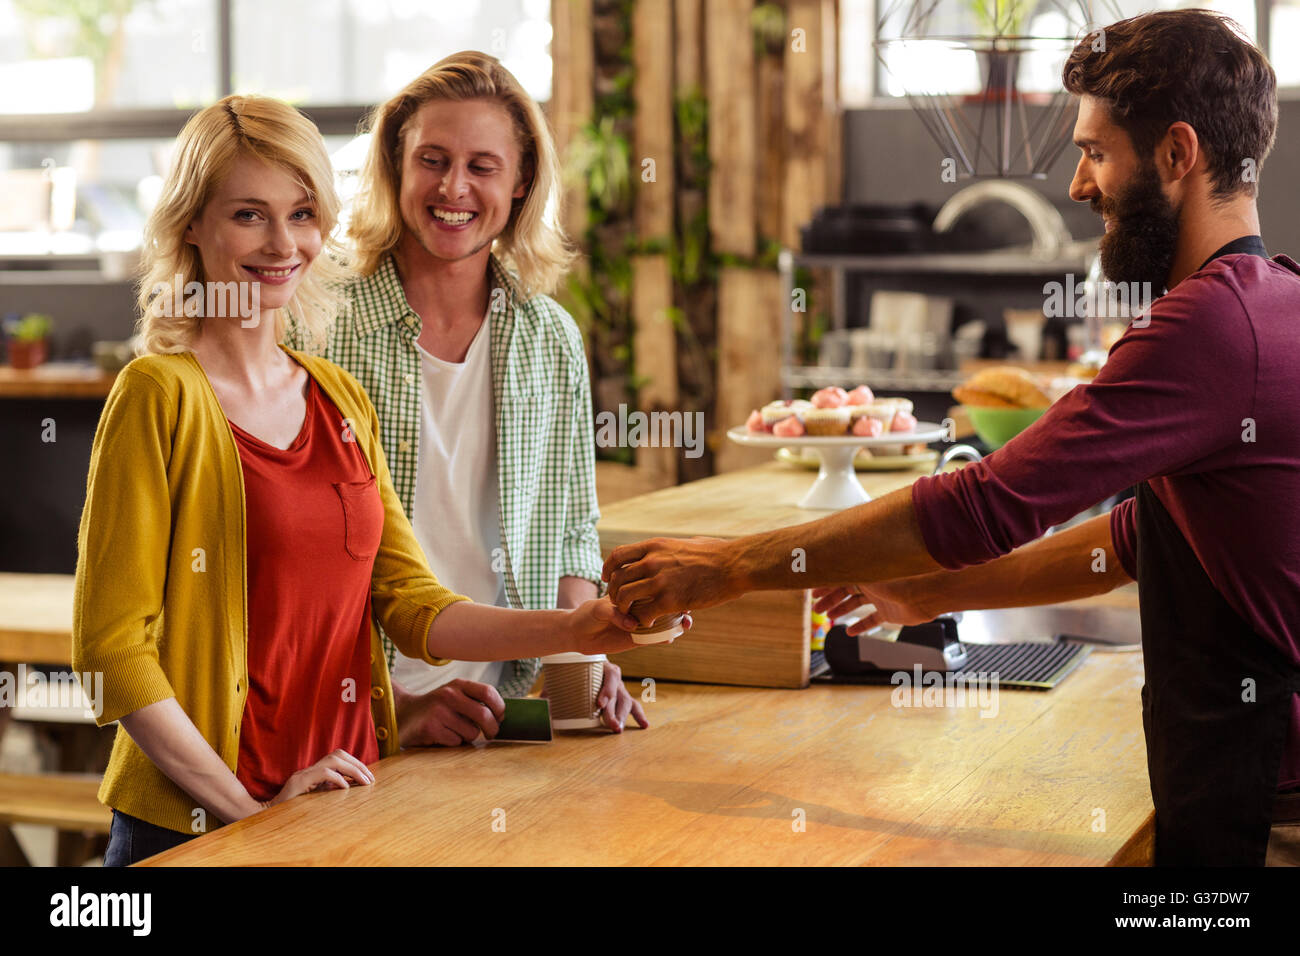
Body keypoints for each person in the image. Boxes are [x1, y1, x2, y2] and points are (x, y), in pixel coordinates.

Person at [603, 10, 1300, 866]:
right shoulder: (1273, 300)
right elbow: (1136, 541)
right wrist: (925, 594)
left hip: (1267, 815)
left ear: (1176, 155)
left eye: (1094, 151)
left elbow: (989, 501)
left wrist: (727, 568)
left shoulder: (1207, 330)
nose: (1080, 186)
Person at [72, 94, 647, 866]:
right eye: (249, 215)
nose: (283, 243)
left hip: (345, 808)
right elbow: (112, 656)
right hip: (198, 831)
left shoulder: (336, 396)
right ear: (192, 227)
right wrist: (250, 813)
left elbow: (412, 604)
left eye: (303, 213)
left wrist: (574, 631)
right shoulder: (158, 395)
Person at [286, 52, 643, 745]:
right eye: (433, 159)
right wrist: (394, 713)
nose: (454, 187)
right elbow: (283, 551)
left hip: (501, 709)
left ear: (519, 183)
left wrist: (587, 660)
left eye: (482, 166)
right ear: (396, 166)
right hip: (349, 712)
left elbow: (572, 532)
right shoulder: (319, 320)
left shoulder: (551, 338)